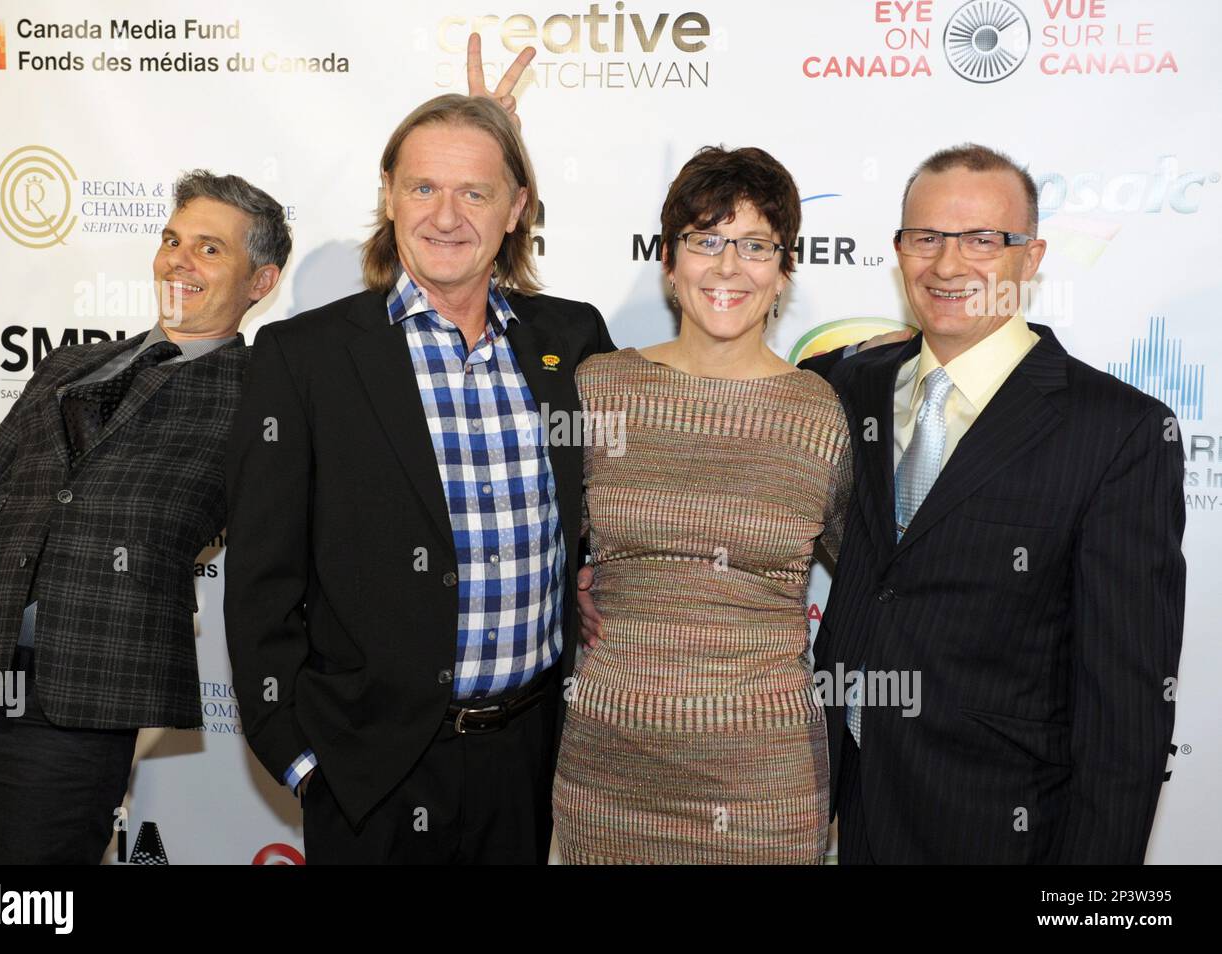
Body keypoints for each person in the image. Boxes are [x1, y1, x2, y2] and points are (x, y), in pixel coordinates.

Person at [223, 66, 615, 861]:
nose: (445, 215)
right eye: (423, 187)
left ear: (516, 209)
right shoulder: (307, 357)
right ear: (390, 197)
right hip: (372, 775)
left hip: (530, 761)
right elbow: (262, 581)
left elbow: (637, 481)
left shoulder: (572, 343)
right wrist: (306, 765)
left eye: (475, 193)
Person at [795, 143, 1186, 863]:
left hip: (1001, 825)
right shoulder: (843, 391)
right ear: (898, 249)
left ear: (1030, 258)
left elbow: (1125, 715)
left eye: (982, 240)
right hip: (840, 803)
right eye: (927, 238)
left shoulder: (1116, 430)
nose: (948, 266)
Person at [0, 171, 289, 863]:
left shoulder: (266, 398)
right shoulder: (68, 365)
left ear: (260, 282)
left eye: (210, 250)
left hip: (78, 703)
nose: (179, 259)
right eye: (173, 239)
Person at [553, 146, 852, 864]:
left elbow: (881, 579)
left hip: (765, 783)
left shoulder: (822, 414)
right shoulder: (600, 389)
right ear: (669, 262)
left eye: (754, 245)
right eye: (705, 240)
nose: (727, 267)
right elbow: (533, 538)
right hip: (609, 770)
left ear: (783, 271)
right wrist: (574, 586)